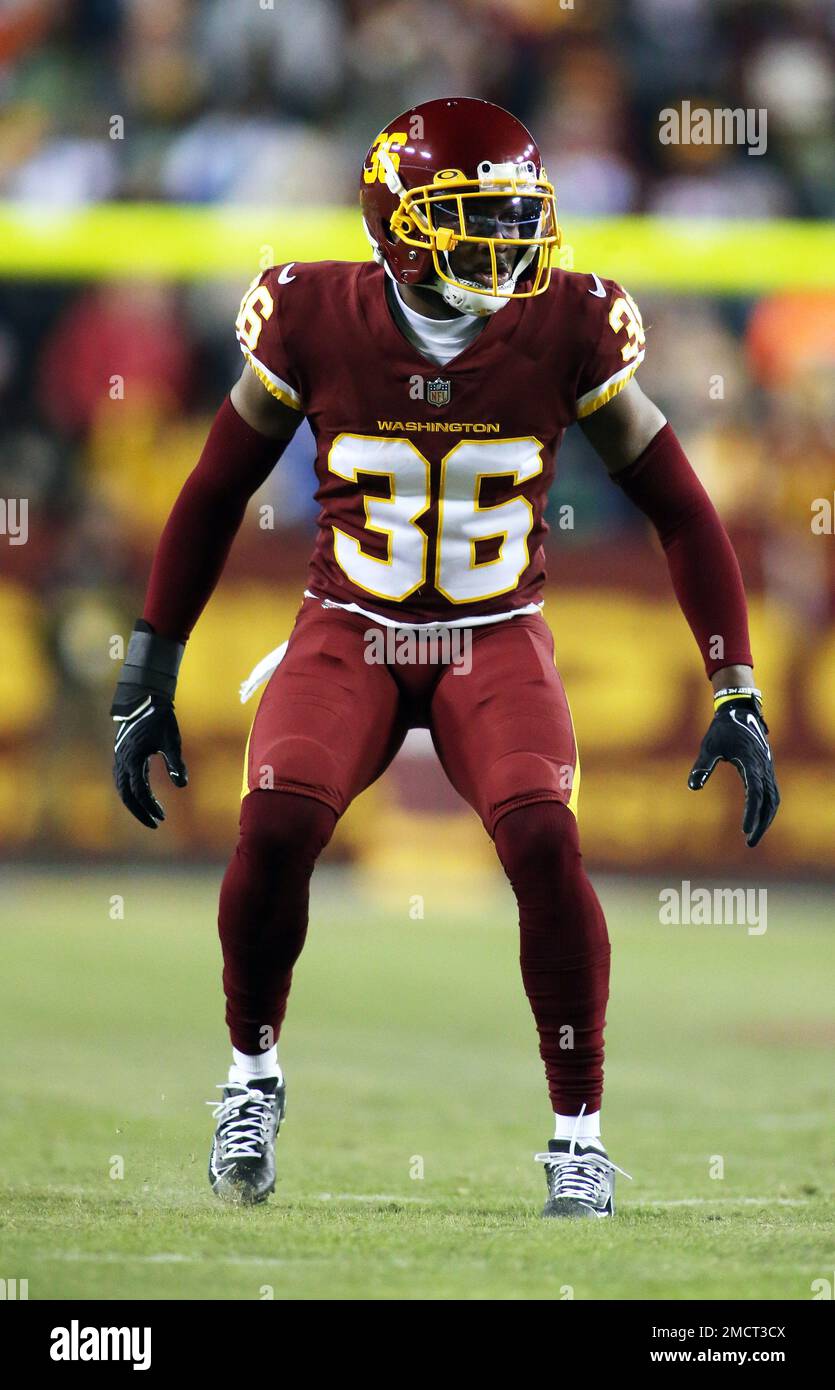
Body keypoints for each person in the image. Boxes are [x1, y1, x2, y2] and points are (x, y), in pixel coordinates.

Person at [110, 97, 779, 1217]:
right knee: (273, 820)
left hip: (493, 632)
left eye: (520, 216)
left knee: (543, 836)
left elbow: (680, 508)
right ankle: (251, 1074)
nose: (511, 243)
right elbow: (215, 487)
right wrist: (148, 670)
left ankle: (577, 1134)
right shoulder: (313, 312)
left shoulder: (566, 324)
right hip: (348, 624)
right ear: (403, 224)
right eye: (478, 218)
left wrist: (735, 679)